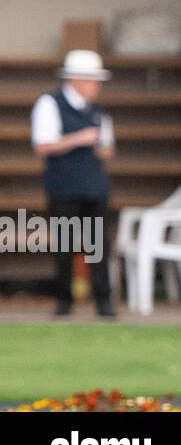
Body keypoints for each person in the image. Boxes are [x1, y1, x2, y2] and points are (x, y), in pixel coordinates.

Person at [30, 50, 117, 318]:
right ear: (76, 80)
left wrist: (101, 146)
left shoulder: (98, 110)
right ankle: (64, 302)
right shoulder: (49, 104)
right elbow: (43, 145)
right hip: (64, 187)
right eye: (92, 80)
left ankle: (104, 302)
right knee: (65, 245)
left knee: (98, 246)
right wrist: (78, 138)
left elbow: (108, 149)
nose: (96, 86)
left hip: (94, 186)